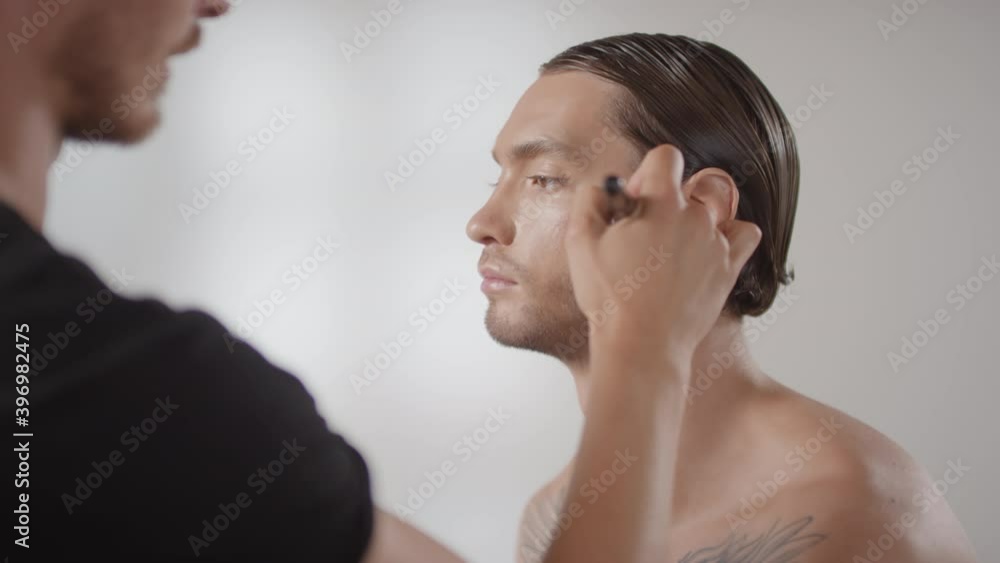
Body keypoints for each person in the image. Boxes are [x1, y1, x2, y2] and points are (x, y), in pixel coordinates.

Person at [1, 2, 762, 561]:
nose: (215, 4)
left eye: (544, 177)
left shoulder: (837, 497)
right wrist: (644, 350)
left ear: (702, 210)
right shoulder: (142, 395)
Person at [466, 33, 979, 563]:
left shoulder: (855, 509)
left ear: (702, 212)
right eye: (498, 177)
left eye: (545, 179)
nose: (481, 223)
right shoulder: (549, 517)